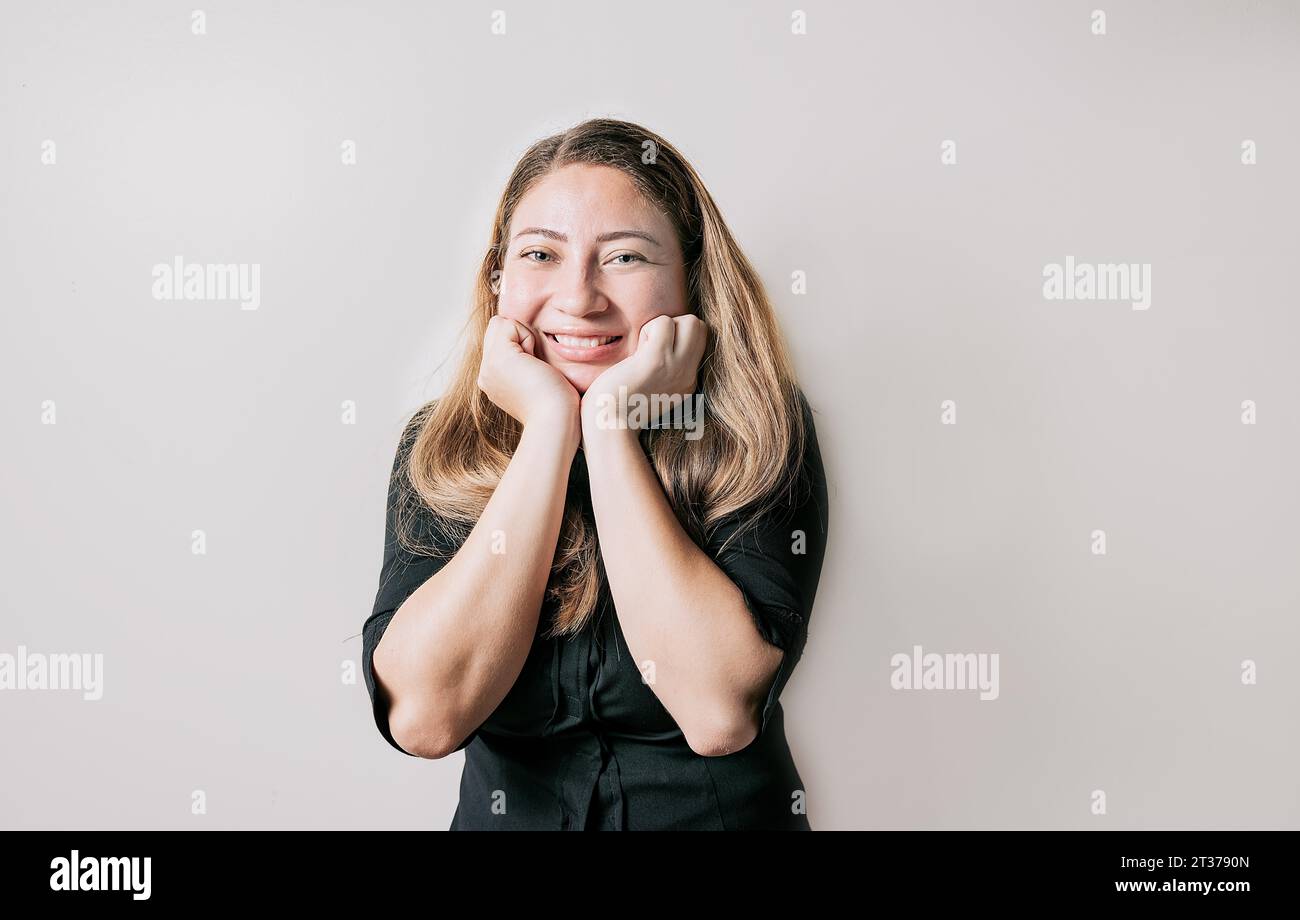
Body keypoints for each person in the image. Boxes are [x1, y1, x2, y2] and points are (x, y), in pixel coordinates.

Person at [362, 117, 829, 830]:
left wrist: (608, 427)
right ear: (499, 280)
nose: (579, 297)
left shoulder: (760, 433)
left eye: (625, 258)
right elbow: (425, 718)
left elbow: (717, 712)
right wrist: (550, 428)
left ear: (692, 283)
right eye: (541, 253)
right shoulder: (440, 446)